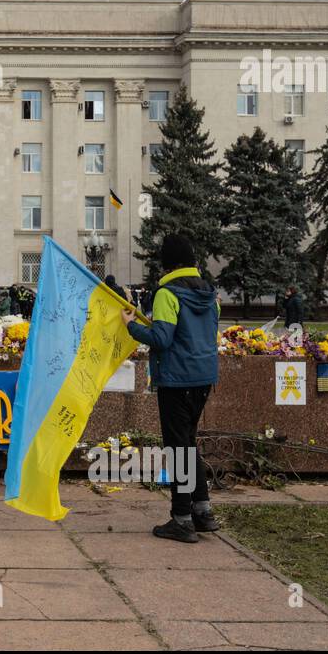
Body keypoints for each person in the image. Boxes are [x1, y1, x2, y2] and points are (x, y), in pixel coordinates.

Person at [122, 233, 220, 544]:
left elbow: (162, 339)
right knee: (189, 443)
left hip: (177, 378)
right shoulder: (209, 293)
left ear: (168, 263)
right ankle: (203, 512)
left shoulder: (167, 293)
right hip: (204, 377)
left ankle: (182, 519)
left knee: (178, 449)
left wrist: (131, 326)